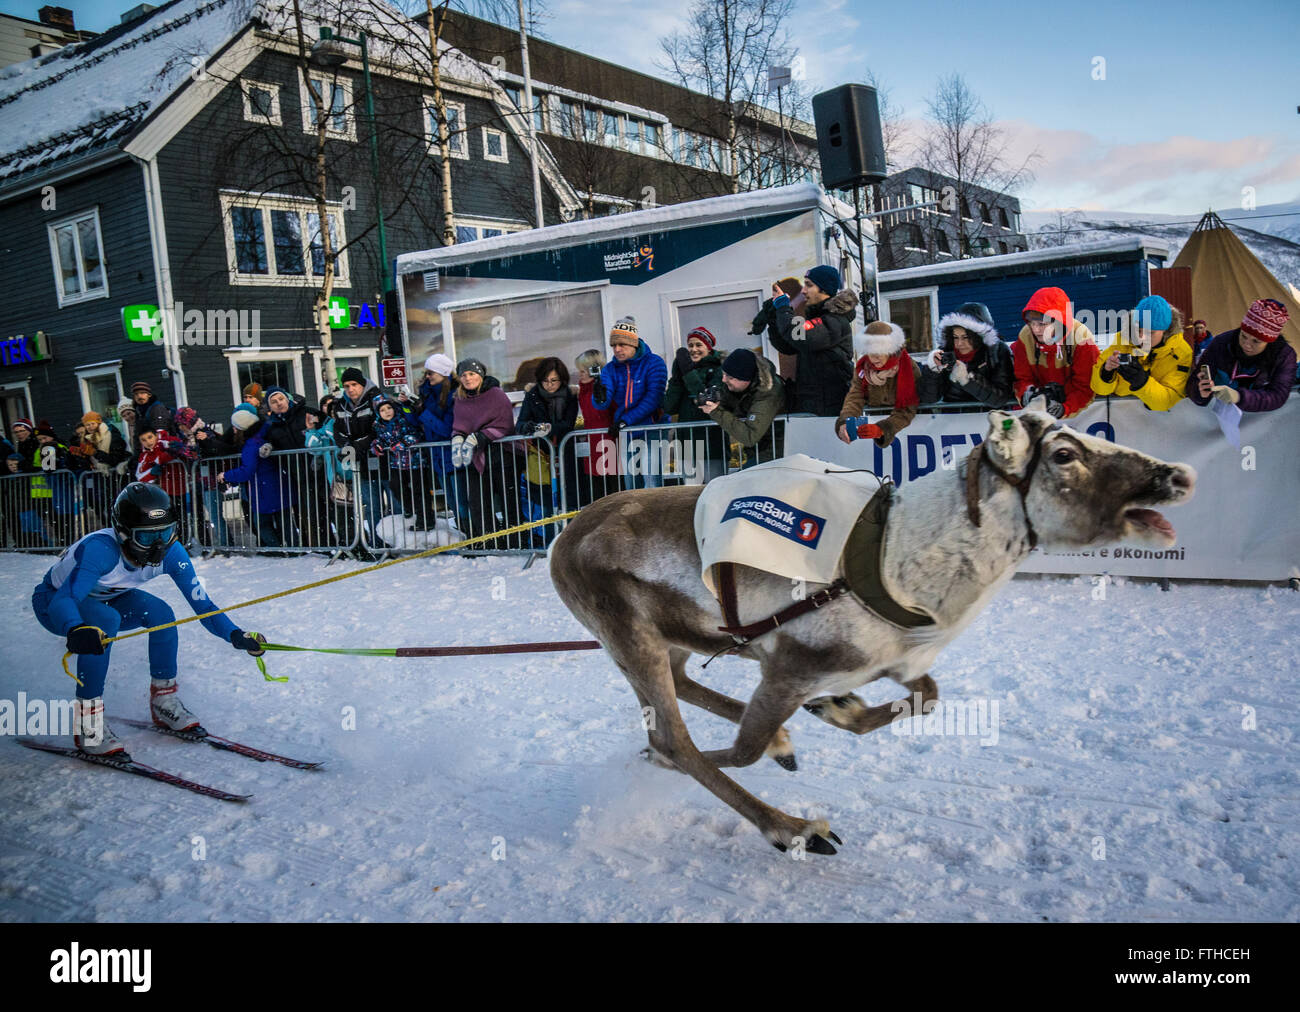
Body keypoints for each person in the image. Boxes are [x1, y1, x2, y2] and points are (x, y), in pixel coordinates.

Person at [31, 482, 268, 755]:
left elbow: (204, 605)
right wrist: (75, 628)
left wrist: (236, 635)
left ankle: (164, 700)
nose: (159, 545)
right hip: (54, 604)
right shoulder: (101, 550)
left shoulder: (172, 552)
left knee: (162, 614)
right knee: (106, 621)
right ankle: (88, 723)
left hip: (108, 598)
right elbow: (64, 600)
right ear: (123, 533)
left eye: (166, 532)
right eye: (146, 537)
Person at [764, 265, 859, 417]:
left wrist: (783, 307)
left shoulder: (835, 321)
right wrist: (773, 319)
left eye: (809, 285)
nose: (803, 290)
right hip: (815, 405)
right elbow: (788, 346)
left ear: (824, 289)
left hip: (831, 408)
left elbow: (801, 337)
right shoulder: (819, 319)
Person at [590, 316, 668, 490]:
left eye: (622, 345)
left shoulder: (654, 363)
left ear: (633, 344)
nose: (617, 349)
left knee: (651, 481)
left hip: (651, 428)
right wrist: (599, 395)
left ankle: (653, 517)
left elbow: (653, 399)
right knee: (631, 484)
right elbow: (602, 403)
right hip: (627, 432)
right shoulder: (610, 369)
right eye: (613, 345)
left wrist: (626, 420)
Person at [450, 358, 517, 546]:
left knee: (507, 501)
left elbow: (505, 423)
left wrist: (479, 437)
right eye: (463, 375)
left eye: (471, 374)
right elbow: (460, 424)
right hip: (473, 457)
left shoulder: (496, 395)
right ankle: (489, 539)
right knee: (478, 502)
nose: (468, 378)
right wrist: (457, 437)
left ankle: (516, 538)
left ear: (480, 374)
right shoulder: (460, 399)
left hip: (500, 454)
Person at [1185, 298, 1295, 413]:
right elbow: (1193, 382)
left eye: (1256, 341)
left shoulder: (1284, 357)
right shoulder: (1222, 343)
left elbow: (1278, 396)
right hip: (1216, 417)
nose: (1247, 345)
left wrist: (1239, 397)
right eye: (1243, 336)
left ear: (1269, 341)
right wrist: (1200, 392)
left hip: (1260, 421)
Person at [1091, 295, 1192, 411]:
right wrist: (1106, 372)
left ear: (1165, 330)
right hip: (1122, 418)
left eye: (1150, 332)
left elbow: (1168, 401)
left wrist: (1142, 382)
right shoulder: (1123, 339)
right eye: (1138, 330)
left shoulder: (1181, 353)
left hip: (1162, 423)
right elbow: (1100, 390)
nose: (1141, 337)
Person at [1012, 286, 1098, 418]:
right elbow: (1021, 378)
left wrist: (1064, 409)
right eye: (1031, 323)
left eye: (1042, 324)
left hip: (1080, 415)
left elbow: (1086, 388)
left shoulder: (1082, 340)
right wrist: (1027, 394)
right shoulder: (1025, 337)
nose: (1035, 330)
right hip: (1038, 415)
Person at [515, 357, 579, 536]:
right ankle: (548, 539)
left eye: (554, 381)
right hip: (541, 455)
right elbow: (520, 423)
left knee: (568, 499)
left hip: (565, 453)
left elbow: (569, 423)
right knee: (544, 502)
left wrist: (548, 428)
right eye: (545, 381)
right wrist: (527, 427)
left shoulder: (569, 395)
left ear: (562, 379)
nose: (549, 385)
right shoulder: (533, 394)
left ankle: (570, 539)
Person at [835, 321, 921, 447]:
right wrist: (845, 421)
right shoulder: (862, 368)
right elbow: (855, 397)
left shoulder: (908, 368)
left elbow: (907, 409)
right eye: (870, 352)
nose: (874, 358)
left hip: (908, 433)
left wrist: (882, 429)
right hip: (872, 433)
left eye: (879, 351)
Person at [221, 403, 294, 549]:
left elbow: (247, 471)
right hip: (276, 485)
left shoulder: (251, 445)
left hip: (263, 489)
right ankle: (293, 548)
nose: (233, 430)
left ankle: (276, 549)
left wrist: (226, 475)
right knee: (285, 522)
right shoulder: (263, 435)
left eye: (236, 427)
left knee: (261, 524)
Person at [698, 348, 785, 468]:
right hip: (757, 451)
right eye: (723, 374)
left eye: (730, 377)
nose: (724, 380)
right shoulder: (738, 387)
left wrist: (716, 411)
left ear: (746, 379)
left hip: (779, 453)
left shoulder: (768, 392)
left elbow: (750, 436)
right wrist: (713, 399)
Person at [918, 302, 1015, 409]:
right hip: (954, 421)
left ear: (979, 336)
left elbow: (1001, 397)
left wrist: (968, 379)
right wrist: (933, 370)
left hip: (991, 419)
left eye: (966, 337)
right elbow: (929, 399)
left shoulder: (997, 351)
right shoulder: (946, 354)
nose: (959, 343)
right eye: (955, 337)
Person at [662, 326, 727, 479]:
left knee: (714, 491)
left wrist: (688, 373)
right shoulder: (683, 369)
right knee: (690, 495)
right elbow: (669, 407)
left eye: (699, 345)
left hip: (712, 443)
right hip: (687, 445)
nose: (694, 349)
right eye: (690, 345)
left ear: (709, 347)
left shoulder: (719, 368)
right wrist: (677, 378)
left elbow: (707, 400)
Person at [331, 367, 385, 544]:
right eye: (346, 386)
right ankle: (377, 543)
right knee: (372, 506)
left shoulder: (376, 399)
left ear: (362, 384)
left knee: (395, 504)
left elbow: (379, 427)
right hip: (360, 463)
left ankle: (398, 541)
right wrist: (346, 446)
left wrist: (358, 445)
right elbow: (337, 430)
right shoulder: (340, 405)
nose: (350, 389)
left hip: (383, 459)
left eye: (354, 385)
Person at [414, 354, 465, 530]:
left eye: (431, 373)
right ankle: (465, 538)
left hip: (454, 456)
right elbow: (418, 424)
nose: (427, 376)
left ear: (442, 372)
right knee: (452, 501)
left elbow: (446, 429)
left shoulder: (454, 394)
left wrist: (424, 414)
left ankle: (472, 537)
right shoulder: (427, 393)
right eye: (427, 373)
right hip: (437, 457)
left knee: (461, 502)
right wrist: (409, 407)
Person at [573, 349, 620, 506]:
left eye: (583, 371)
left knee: (614, 489)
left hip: (609, 442)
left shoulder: (606, 386)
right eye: (579, 371)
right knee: (597, 492)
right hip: (592, 444)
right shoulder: (582, 391)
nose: (580, 374)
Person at [370, 394, 425, 525]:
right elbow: (381, 439)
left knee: (418, 490)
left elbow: (416, 434)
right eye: (382, 410)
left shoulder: (402, 420)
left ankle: (422, 516)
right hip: (396, 463)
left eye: (389, 408)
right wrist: (376, 445)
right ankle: (408, 507)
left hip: (414, 461)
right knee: (395, 486)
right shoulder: (379, 426)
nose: (387, 412)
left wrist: (403, 443)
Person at [71, 410, 128, 530]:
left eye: (92, 423)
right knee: (99, 506)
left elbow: (114, 458)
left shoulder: (111, 434)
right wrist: (80, 455)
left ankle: (120, 529)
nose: (90, 427)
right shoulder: (87, 439)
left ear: (99, 422)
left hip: (113, 477)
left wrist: (96, 453)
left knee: (114, 506)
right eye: (87, 424)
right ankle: (110, 529)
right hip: (98, 478)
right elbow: (87, 461)